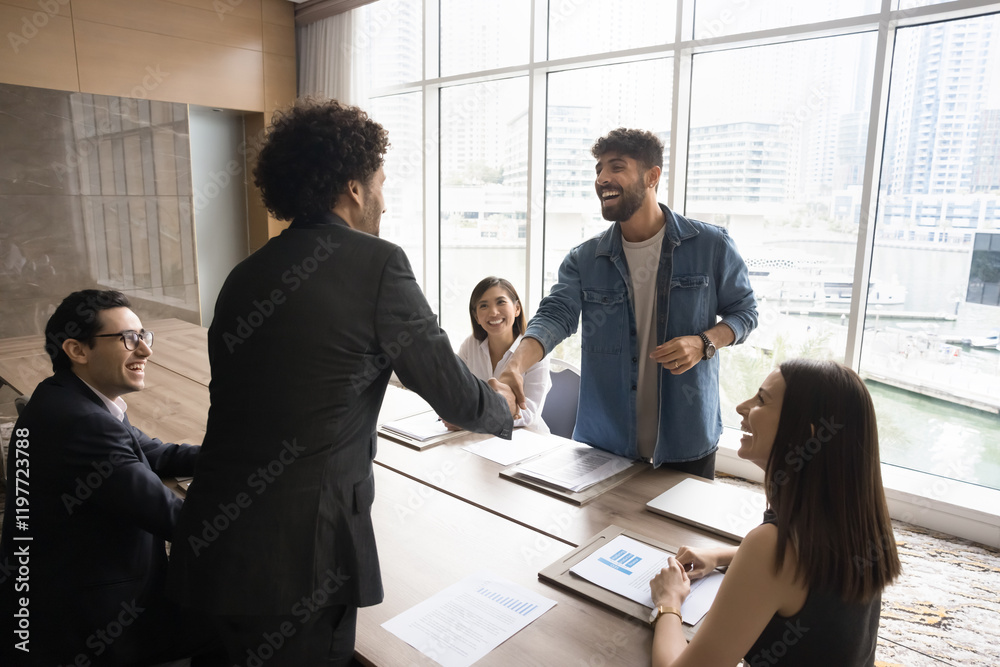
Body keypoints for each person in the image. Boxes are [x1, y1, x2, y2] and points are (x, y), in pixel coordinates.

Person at [167, 99, 516, 666]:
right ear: (354, 188)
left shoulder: (244, 274)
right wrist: (501, 402)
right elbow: (455, 395)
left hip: (213, 543)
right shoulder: (377, 264)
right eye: (380, 182)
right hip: (300, 560)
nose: (384, 198)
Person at [499, 128, 757, 478]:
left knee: (676, 518)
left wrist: (704, 342)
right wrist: (516, 365)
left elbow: (745, 312)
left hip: (687, 439)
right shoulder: (585, 258)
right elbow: (555, 315)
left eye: (616, 167)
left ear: (652, 176)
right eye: (598, 169)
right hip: (605, 441)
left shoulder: (711, 245)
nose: (602, 178)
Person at [0, 290, 223, 666]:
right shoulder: (82, 423)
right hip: (94, 626)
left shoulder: (68, 395)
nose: (145, 350)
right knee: (247, 612)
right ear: (77, 350)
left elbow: (156, 454)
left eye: (143, 336)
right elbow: (181, 522)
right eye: (128, 339)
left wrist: (242, 456)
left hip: (71, 593)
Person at [647, 359, 901, 666]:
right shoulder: (858, 516)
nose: (741, 407)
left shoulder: (772, 546)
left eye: (761, 400)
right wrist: (721, 555)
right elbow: (808, 564)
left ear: (807, 436)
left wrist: (669, 602)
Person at [453, 276, 551, 432]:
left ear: (517, 308)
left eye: (501, 302)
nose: (493, 312)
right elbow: (456, 392)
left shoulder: (535, 350)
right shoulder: (470, 345)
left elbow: (529, 413)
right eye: (484, 306)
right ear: (476, 316)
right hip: (480, 437)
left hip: (527, 437)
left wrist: (474, 418)